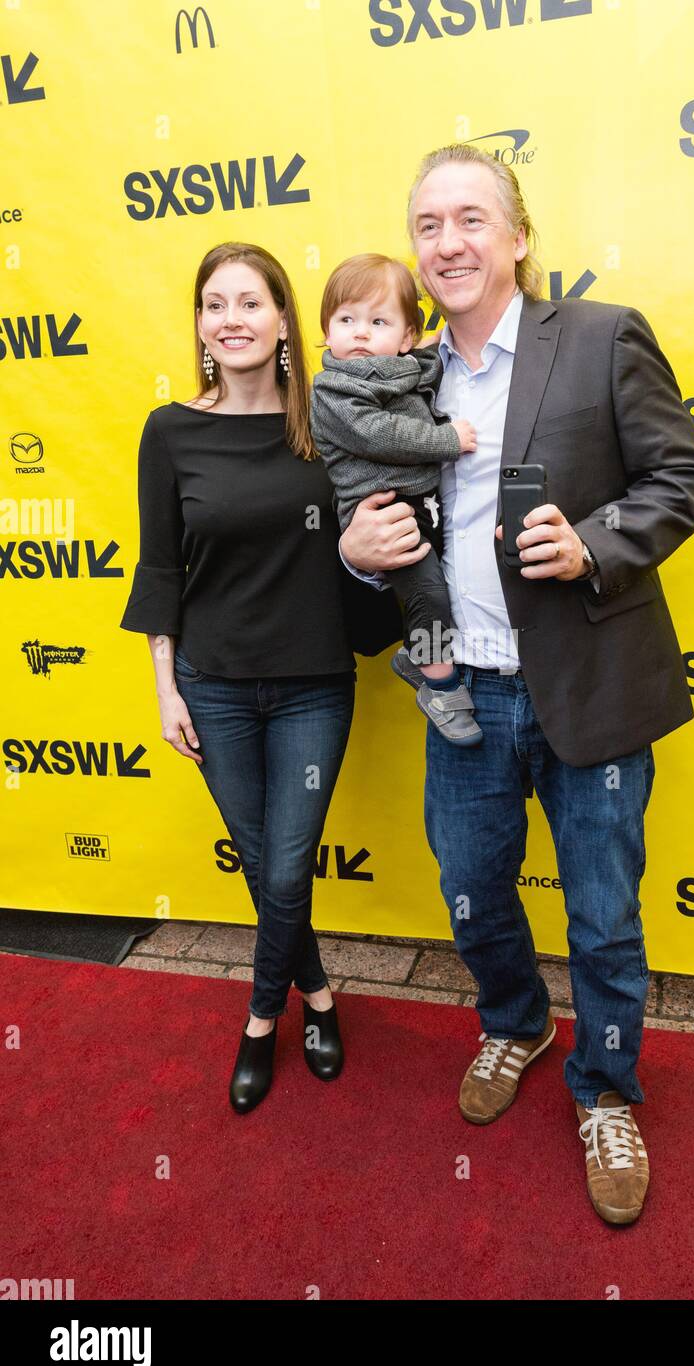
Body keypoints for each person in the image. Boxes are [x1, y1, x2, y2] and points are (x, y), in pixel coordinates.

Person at [339, 146, 694, 1225]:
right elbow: (372, 526)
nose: (447, 242)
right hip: (461, 693)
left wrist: (596, 542)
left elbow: (683, 474)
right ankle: (515, 1020)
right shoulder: (396, 375)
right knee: (471, 892)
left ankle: (604, 1091)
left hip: (588, 686)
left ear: (517, 237)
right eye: (426, 225)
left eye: (469, 219)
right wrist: (358, 550)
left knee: (602, 918)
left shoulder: (599, 338)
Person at [119, 241, 401, 1116]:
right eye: (215, 304)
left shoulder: (326, 423)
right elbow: (161, 569)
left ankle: (257, 1016)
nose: (231, 320)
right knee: (264, 866)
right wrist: (167, 686)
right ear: (200, 324)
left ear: (285, 321)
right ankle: (316, 997)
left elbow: (384, 531)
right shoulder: (170, 431)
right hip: (214, 687)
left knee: (284, 870)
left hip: (315, 683)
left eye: (250, 303)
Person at [311, 252, 483, 746]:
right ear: (327, 330)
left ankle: (419, 652)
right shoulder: (334, 389)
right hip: (386, 518)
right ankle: (443, 689)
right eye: (346, 320)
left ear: (406, 336)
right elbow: (380, 433)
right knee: (427, 593)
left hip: (424, 506)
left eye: (378, 321)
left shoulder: (401, 368)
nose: (360, 333)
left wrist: (431, 349)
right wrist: (449, 440)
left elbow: (420, 373)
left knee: (444, 591)